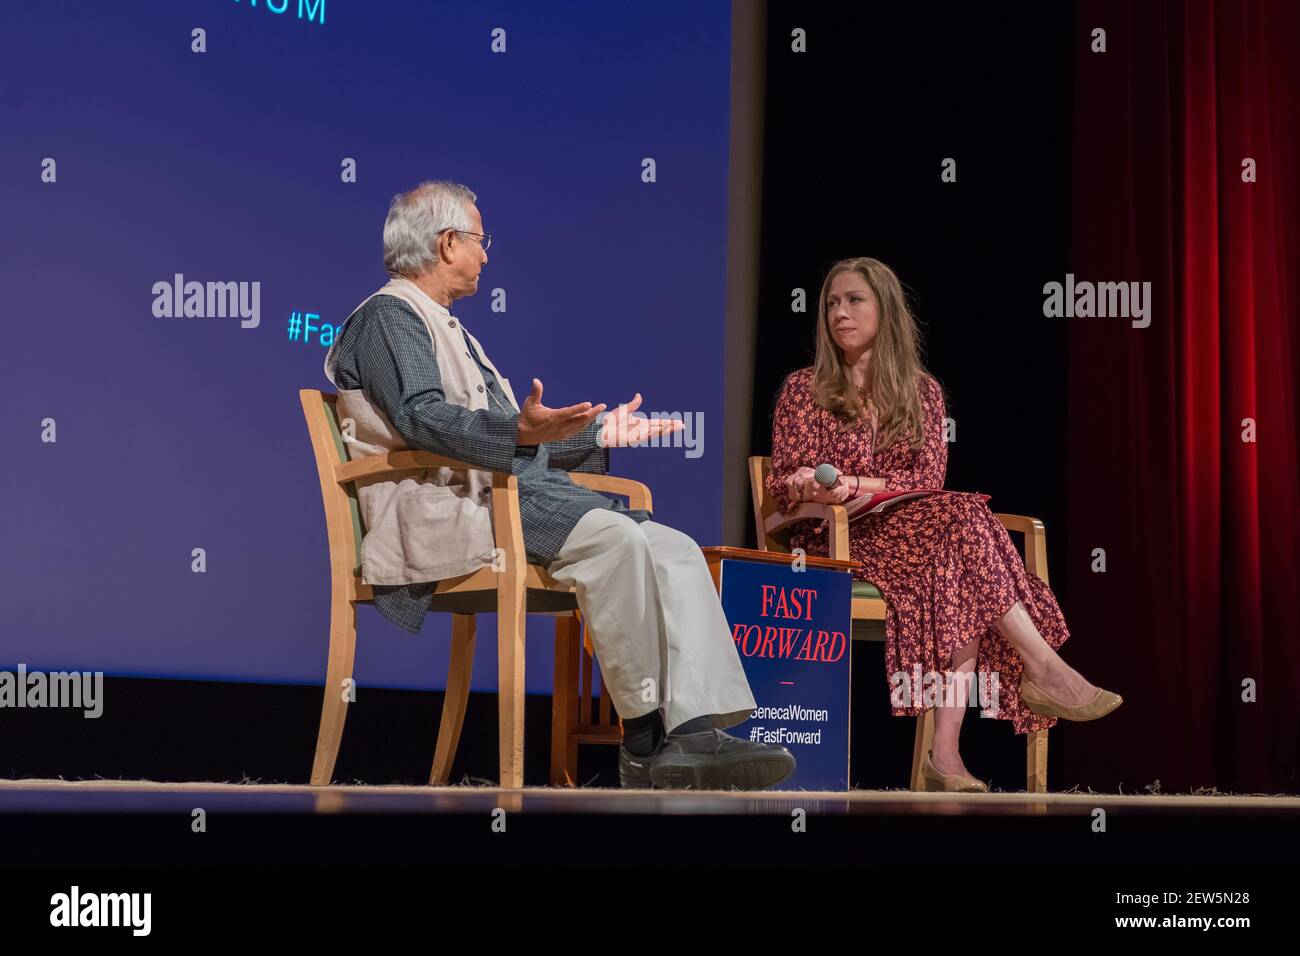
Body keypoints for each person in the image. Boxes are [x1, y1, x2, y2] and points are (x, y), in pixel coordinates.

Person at [322, 179, 795, 791]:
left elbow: (517, 439)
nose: (487, 254)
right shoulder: (389, 316)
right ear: (445, 244)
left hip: (501, 495)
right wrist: (521, 429)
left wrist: (599, 438)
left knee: (673, 548)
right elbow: (426, 419)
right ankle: (646, 743)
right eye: (479, 239)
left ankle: (695, 727)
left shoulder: (449, 326)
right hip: (449, 506)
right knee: (616, 541)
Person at [765, 256, 1121, 792]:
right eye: (832, 303)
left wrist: (859, 485)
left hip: (913, 531)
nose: (840, 312)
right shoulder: (803, 388)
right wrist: (810, 485)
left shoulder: (922, 392)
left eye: (854, 300)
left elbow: (927, 480)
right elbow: (781, 483)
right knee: (962, 529)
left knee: (957, 542)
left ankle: (948, 756)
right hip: (834, 536)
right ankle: (1036, 672)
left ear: (886, 310)